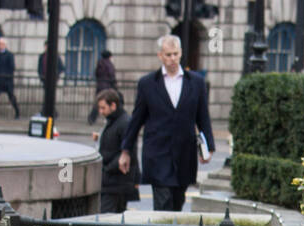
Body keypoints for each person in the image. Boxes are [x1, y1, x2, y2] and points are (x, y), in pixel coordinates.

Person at [118, 35, 215, 212]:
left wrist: (207, 148)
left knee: (178, 201)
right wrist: (126, 151)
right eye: (168, 54)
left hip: (184, 152)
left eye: (175, 54)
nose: (172, 59)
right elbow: (137, 119)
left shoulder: (196, 83)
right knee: (163, 202)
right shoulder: (147, 84)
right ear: (160, 55)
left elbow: (203, 118)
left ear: (181, 54)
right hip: (157, 152)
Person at [92, 89, 139, 213]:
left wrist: (107, 169)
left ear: (113, 105)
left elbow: (128, 151)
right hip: (111, 181)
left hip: (116, 182)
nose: (100, 112)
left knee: (107, 219)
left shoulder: (124, 123)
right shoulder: (113, 121)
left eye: (103, 108)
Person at [0, 37, 20, 122]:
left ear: (5, 45)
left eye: (1, 44)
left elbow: (12, 67)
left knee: (11, 97)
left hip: (7, 81)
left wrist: (6, 76)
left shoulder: (9, 55)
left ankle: (17, 112)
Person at [88, 50, 117, 124]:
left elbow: (96, 74)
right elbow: (111, 75)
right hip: (107, 87)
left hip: (100, 86)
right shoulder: (109, 64)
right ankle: (109, 119)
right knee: (108, 104)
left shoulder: (100, 63)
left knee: (98, 103)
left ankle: (92, 118)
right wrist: (114, 85)